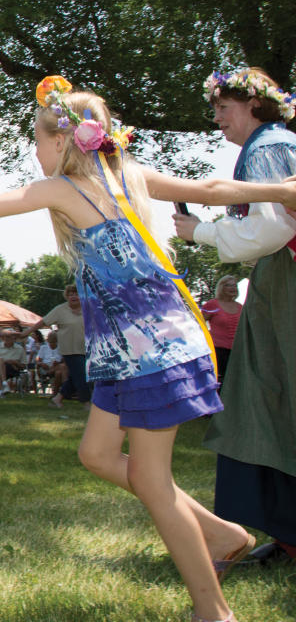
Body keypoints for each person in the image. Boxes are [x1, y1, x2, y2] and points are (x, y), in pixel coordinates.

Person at [0, 76, 296, 622]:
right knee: (96, 455)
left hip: (151, 349)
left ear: (62, 141)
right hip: (130, 348)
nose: (34, 151)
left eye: (37, 140)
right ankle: (222, 533)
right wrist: (281, 191)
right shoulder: (125, 177)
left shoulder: (69, 188)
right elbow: (209, 189)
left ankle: (214, 611)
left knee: (151, 481)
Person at [177, 67, 296, 570]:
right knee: (268, 399)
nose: (218, 119)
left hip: (286, 283)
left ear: (254, 106)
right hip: (277, 282)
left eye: (223, 108)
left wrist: (199, 232)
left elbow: (267, 231)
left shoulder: (267, 147)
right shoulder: (278, 143)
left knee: (271, 398)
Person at [42, 285, 89, 406]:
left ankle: (57, 398)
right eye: (70, 294)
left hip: (86, 349)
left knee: (76, 376)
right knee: (82, 376)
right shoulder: (60, 310)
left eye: (76, 293)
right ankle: (86, 402)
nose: (73, 296)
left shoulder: (87, 308)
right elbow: (44, 321)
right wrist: (26, 332)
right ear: (67, 296)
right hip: (70, 349)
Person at [199, 275, 243, 385]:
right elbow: (198, 324)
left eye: (235, 285)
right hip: (219, 351)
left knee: (237, 381)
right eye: (229, 285)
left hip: (238, 351)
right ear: (221, 287)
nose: (233, 288)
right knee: (221, 381)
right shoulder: (212, 304)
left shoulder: (240, 307)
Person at [0, 328, 30, 396]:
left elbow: (24, 365)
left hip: (12, 368)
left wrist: (14, 362)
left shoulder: (19, 348)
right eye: (5, 336)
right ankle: (4, 383)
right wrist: (4, 361)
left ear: (14, 338)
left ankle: (2, 389)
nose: (7, 338)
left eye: (9, 337)